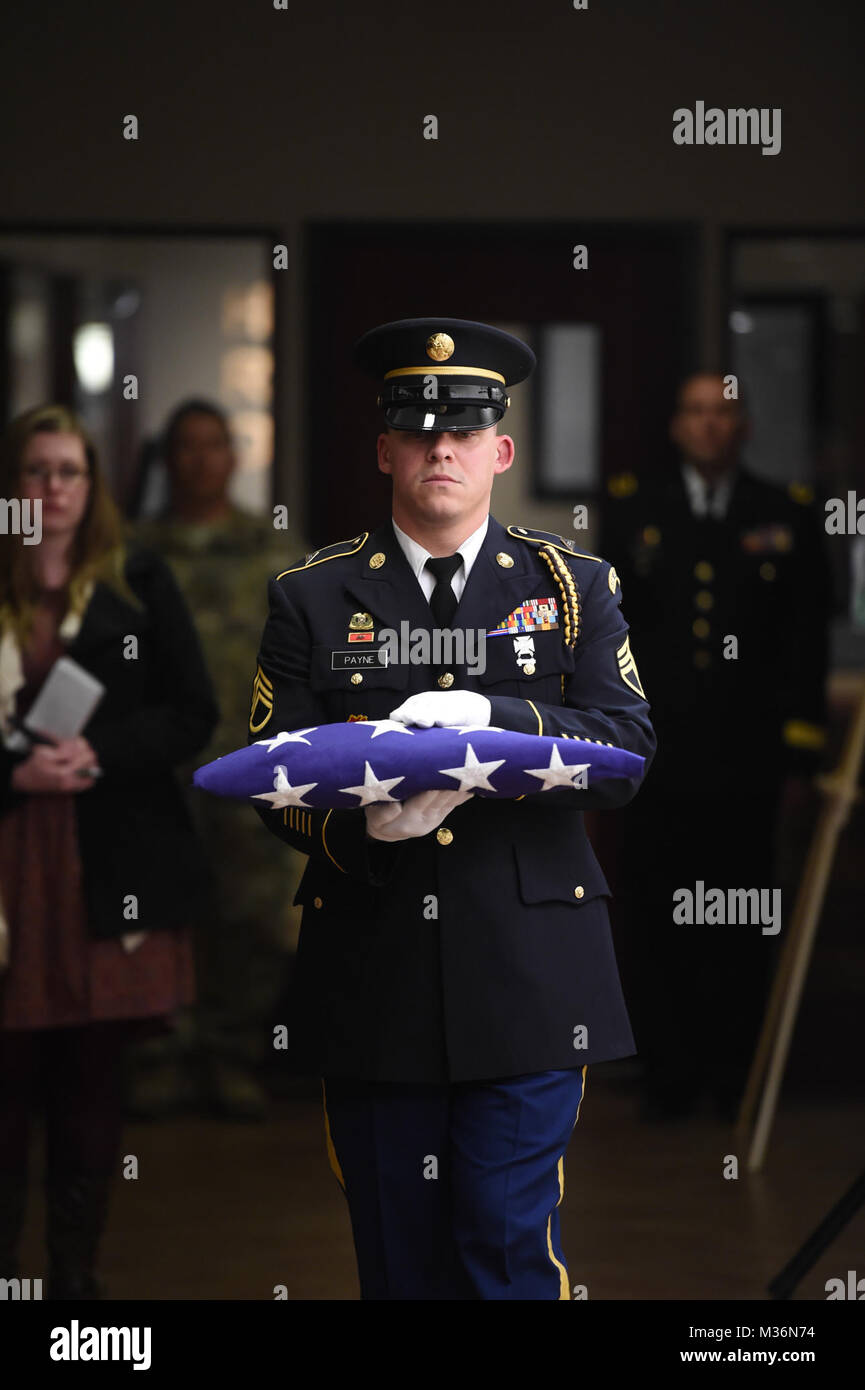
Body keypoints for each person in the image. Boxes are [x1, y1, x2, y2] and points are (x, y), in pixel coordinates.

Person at [248, 318, 656, 1300]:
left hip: (528, 978)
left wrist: (495, 715)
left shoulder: (571, 589)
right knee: (398, 1261)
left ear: (499, 450)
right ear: (383, 447)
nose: (440, 445)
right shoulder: (311, 595)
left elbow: (624, 752)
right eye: (416, 426)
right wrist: (362, 827)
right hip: (373, 973)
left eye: (464, 428)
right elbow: (270, 772)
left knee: (505, 1252)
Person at [0, 404, 218, 1298]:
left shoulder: (136, 577)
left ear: (93, 489)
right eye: (36, 471)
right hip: (11, 868)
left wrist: (99, 752)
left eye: (71, 473)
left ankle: (72, 1286)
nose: (54, 489)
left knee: (89, 1081)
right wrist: (14, 773)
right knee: (6, 1090)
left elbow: (191, 711)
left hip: (108, 867)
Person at [602, 372, 834, 1122]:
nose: (708, 426)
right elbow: (607, 638)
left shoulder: (782, 513)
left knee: (739, 915)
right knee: (657, 915)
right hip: (654, 759)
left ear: (743, 427)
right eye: (695, 412)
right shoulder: (632, 506)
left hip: (747, 761)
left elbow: (804, 646)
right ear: (676, 426)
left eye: (722, 412)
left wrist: (800, 756)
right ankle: (665, 1072)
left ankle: (735, 1070)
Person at [131, 401, 306, 1119]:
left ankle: (232, 1056)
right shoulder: (134, 555)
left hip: (249, 766)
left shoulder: (270, 551)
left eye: (214, 446)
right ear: (168, 460)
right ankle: (158, 1059)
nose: (202, 460)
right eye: (187, 448)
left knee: (257, 921)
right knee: (149, 920)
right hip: (153, 773)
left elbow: (306, 660)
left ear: (233, 458)